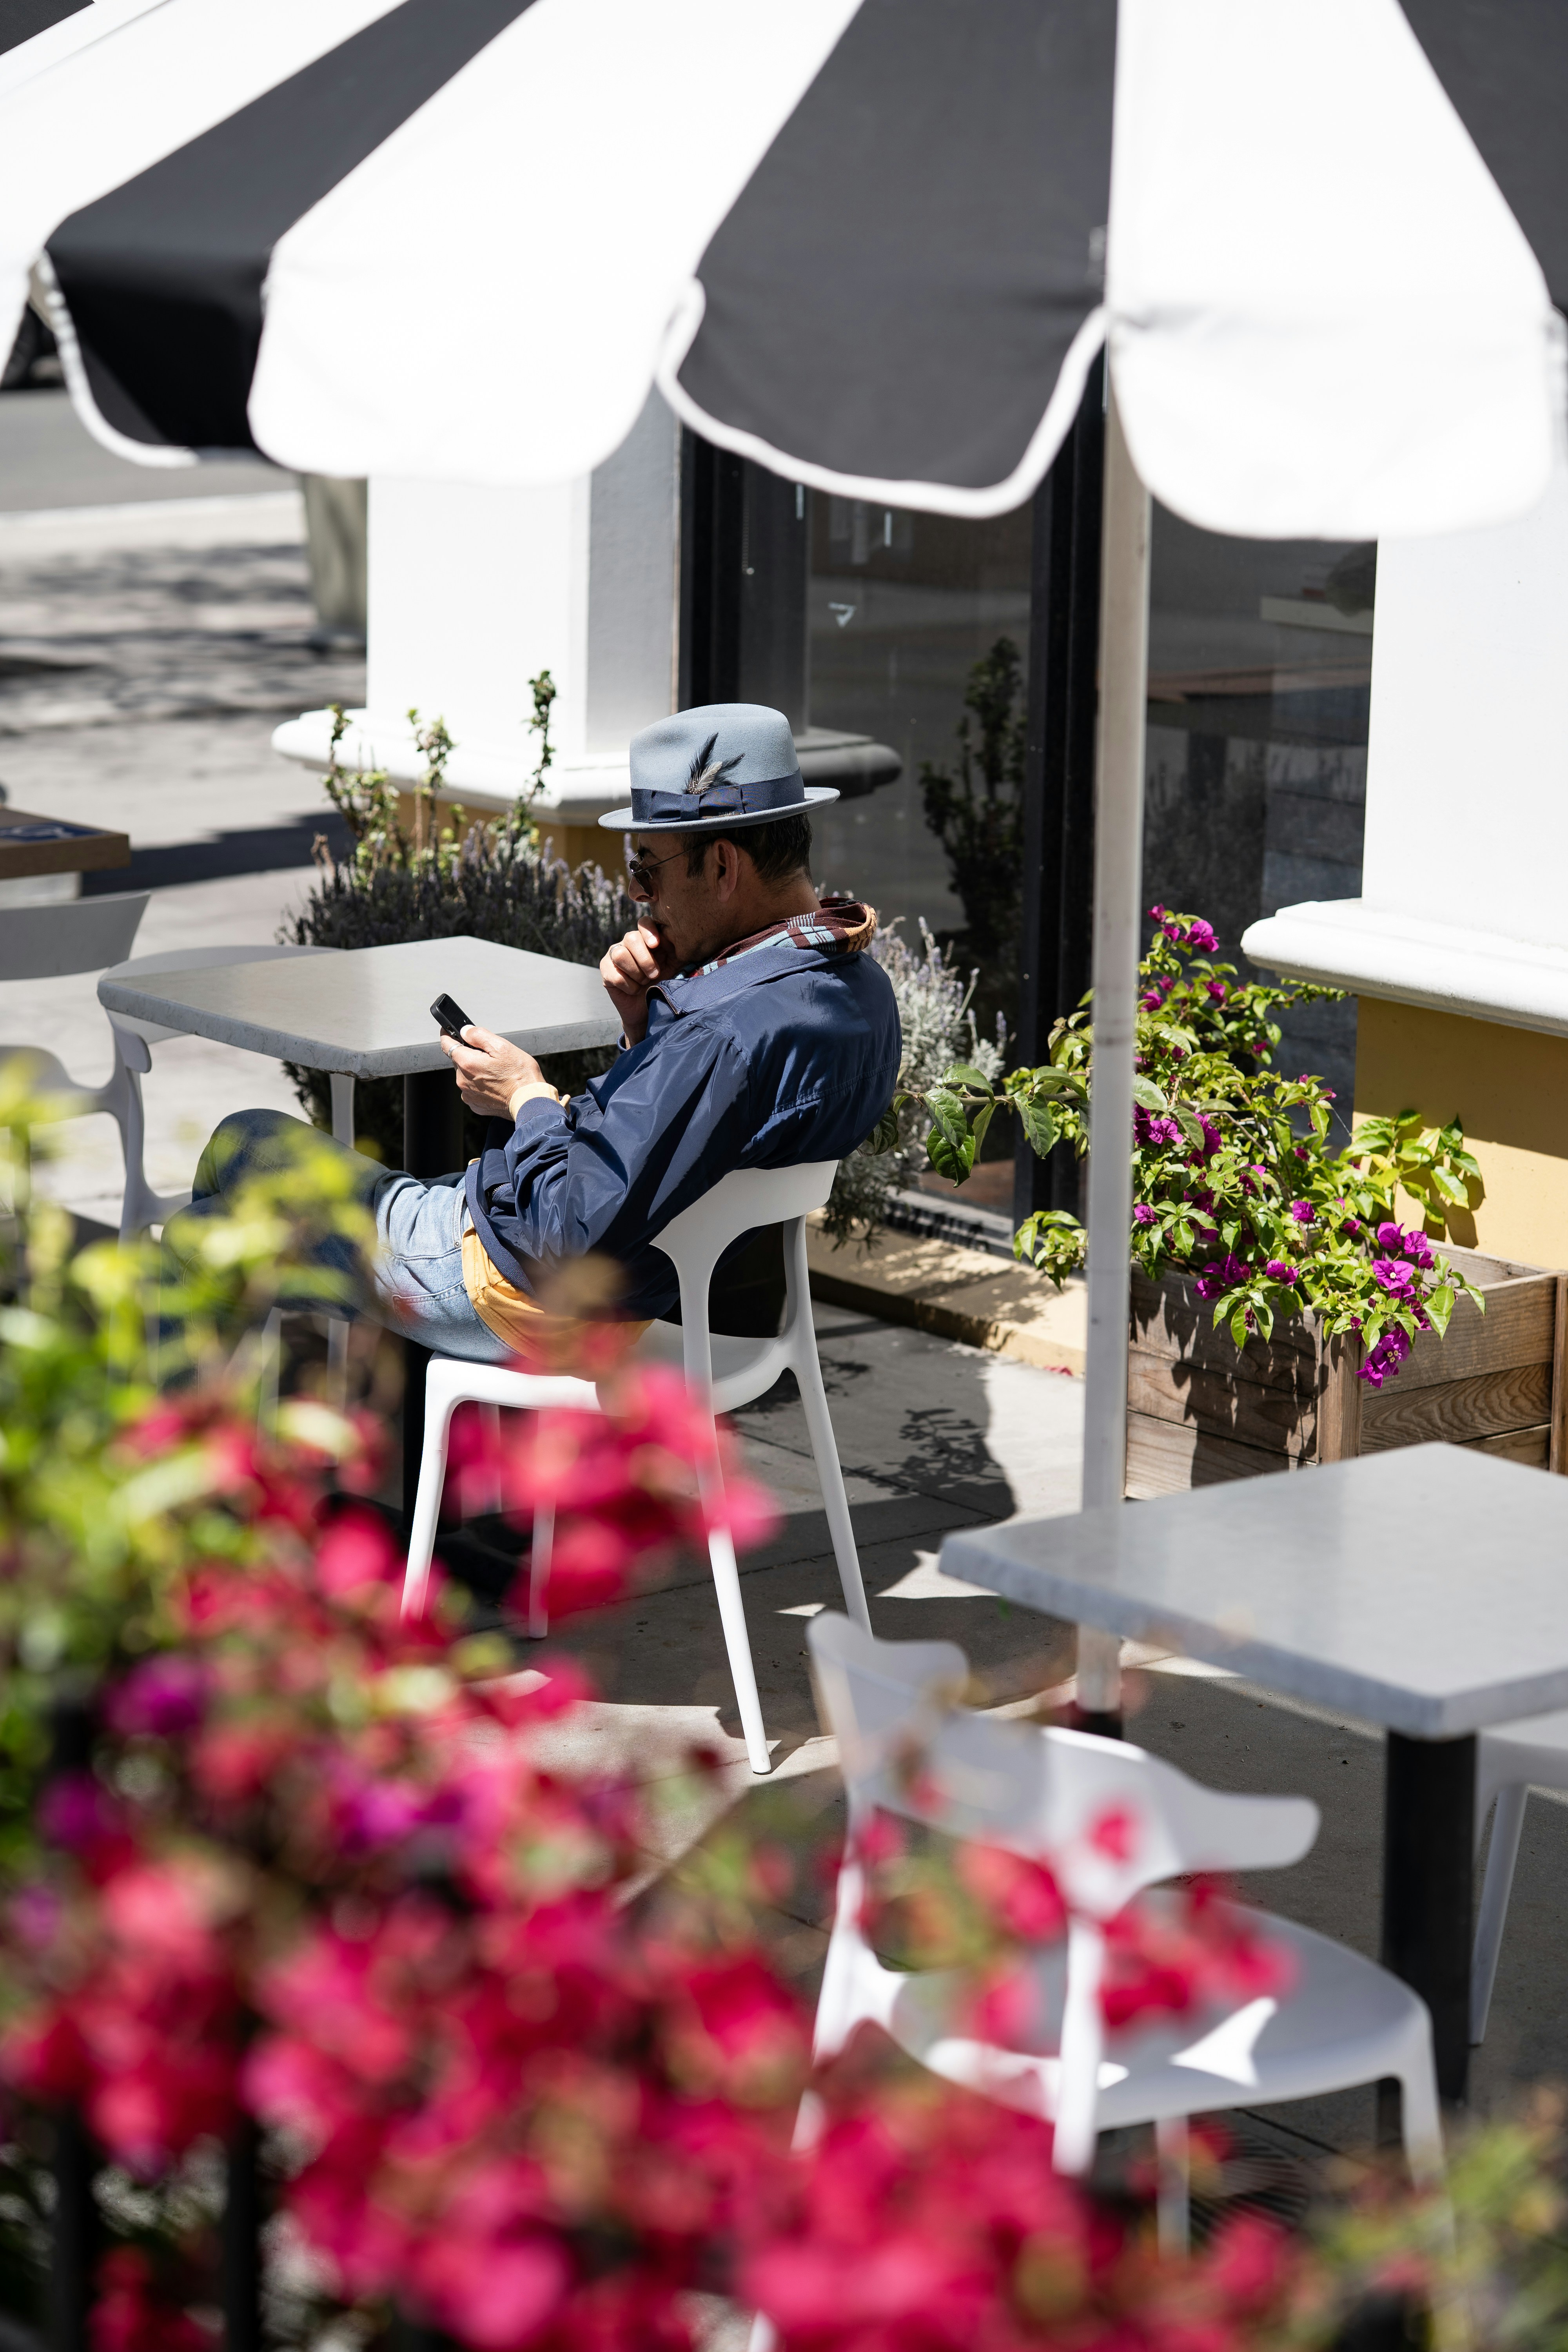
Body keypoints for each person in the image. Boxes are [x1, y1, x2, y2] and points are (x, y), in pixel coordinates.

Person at [163, 702, 902, 1369]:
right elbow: (678, 1147)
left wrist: (527, 1097)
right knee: (224, 1200)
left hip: (517, 1286)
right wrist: (643, 1024)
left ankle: (186, 1485)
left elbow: (569, 1224)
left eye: (647, 868)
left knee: (225, 1176)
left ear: (721, 864)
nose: (638, 895)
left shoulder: (723, 1033)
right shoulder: (854, 989)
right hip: (643, 1285)